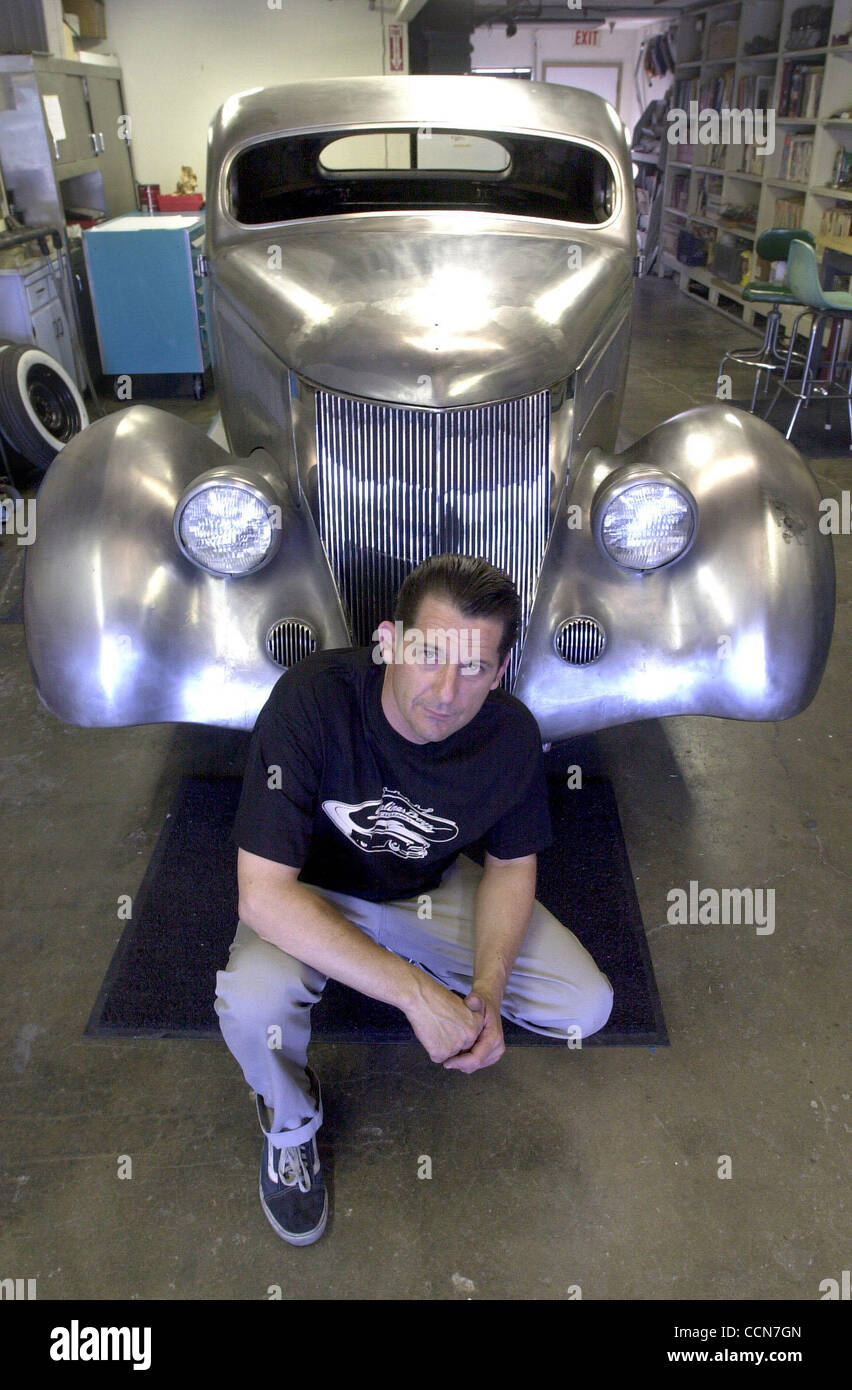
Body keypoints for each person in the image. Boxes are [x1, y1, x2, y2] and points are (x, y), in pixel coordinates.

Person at [214, 554, 613, 1245]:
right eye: (429, 654)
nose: (446, 690)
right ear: (390, 642)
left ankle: (410, 971)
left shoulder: (511, 734)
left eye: (474, 668)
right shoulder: (312, 702)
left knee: (587, 1005)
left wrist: (485, 989)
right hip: (310, 891)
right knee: (253, 1004)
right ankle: (290, 1122)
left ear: (499, 671)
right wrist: (415, 995)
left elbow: (512, 870)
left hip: (426, 890)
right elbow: (263, 897)